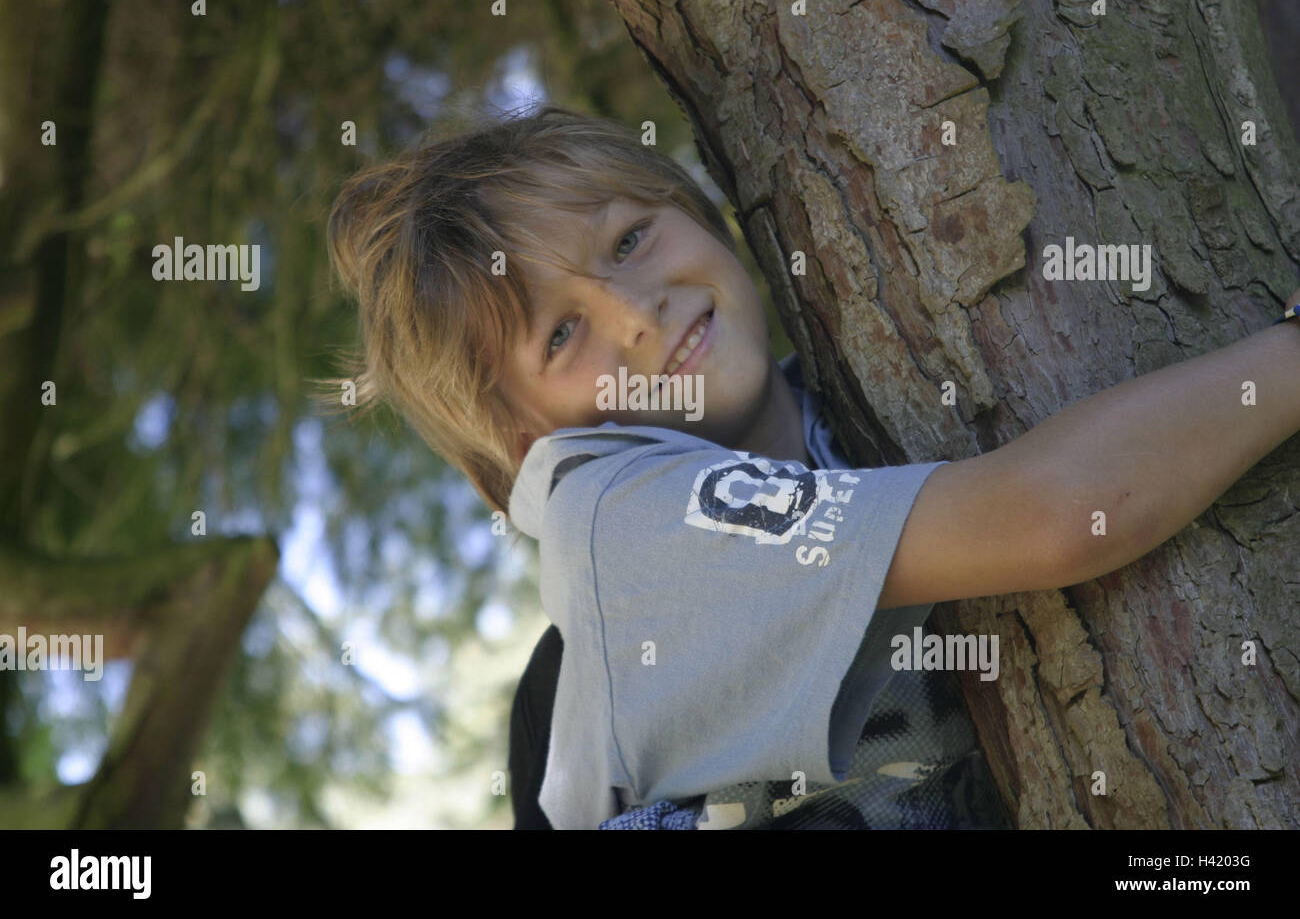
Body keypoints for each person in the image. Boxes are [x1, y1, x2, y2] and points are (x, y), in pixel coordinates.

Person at [326, 104, 1300, 830]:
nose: (635, 310)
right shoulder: (610, 524)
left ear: (703, 215)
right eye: (562, 331)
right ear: (537, 452)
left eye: (629, 237)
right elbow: (1065, 512)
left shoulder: (851, 404)